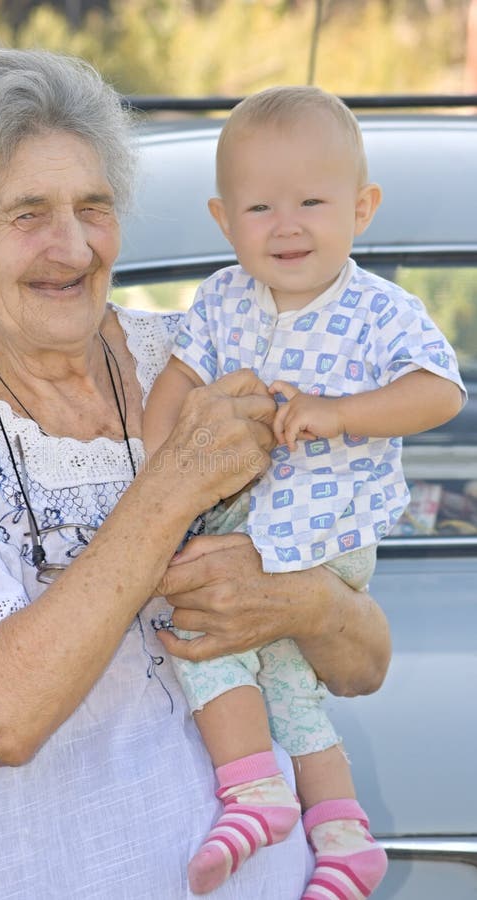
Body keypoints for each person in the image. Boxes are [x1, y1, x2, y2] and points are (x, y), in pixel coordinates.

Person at [0, 54, 392, 900]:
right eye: (28, 214)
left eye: (91, 206)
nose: (73, 246)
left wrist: (303, 601)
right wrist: (172, 487)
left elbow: (362, 662)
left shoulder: (204, 359)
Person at [143, 85, 465, 898]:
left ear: (361, 208)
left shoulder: (379, 310)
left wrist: (340, 413)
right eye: (258, 207)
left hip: (334, 532)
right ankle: (342, 837)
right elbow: (178, 379)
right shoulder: (219, 300)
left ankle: (252, 792)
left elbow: (439, 393)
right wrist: (164, 452)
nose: (285, 225)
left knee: (203, 632)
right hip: (252, 525)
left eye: (312, 202)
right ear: (223, 221)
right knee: (286, 691)